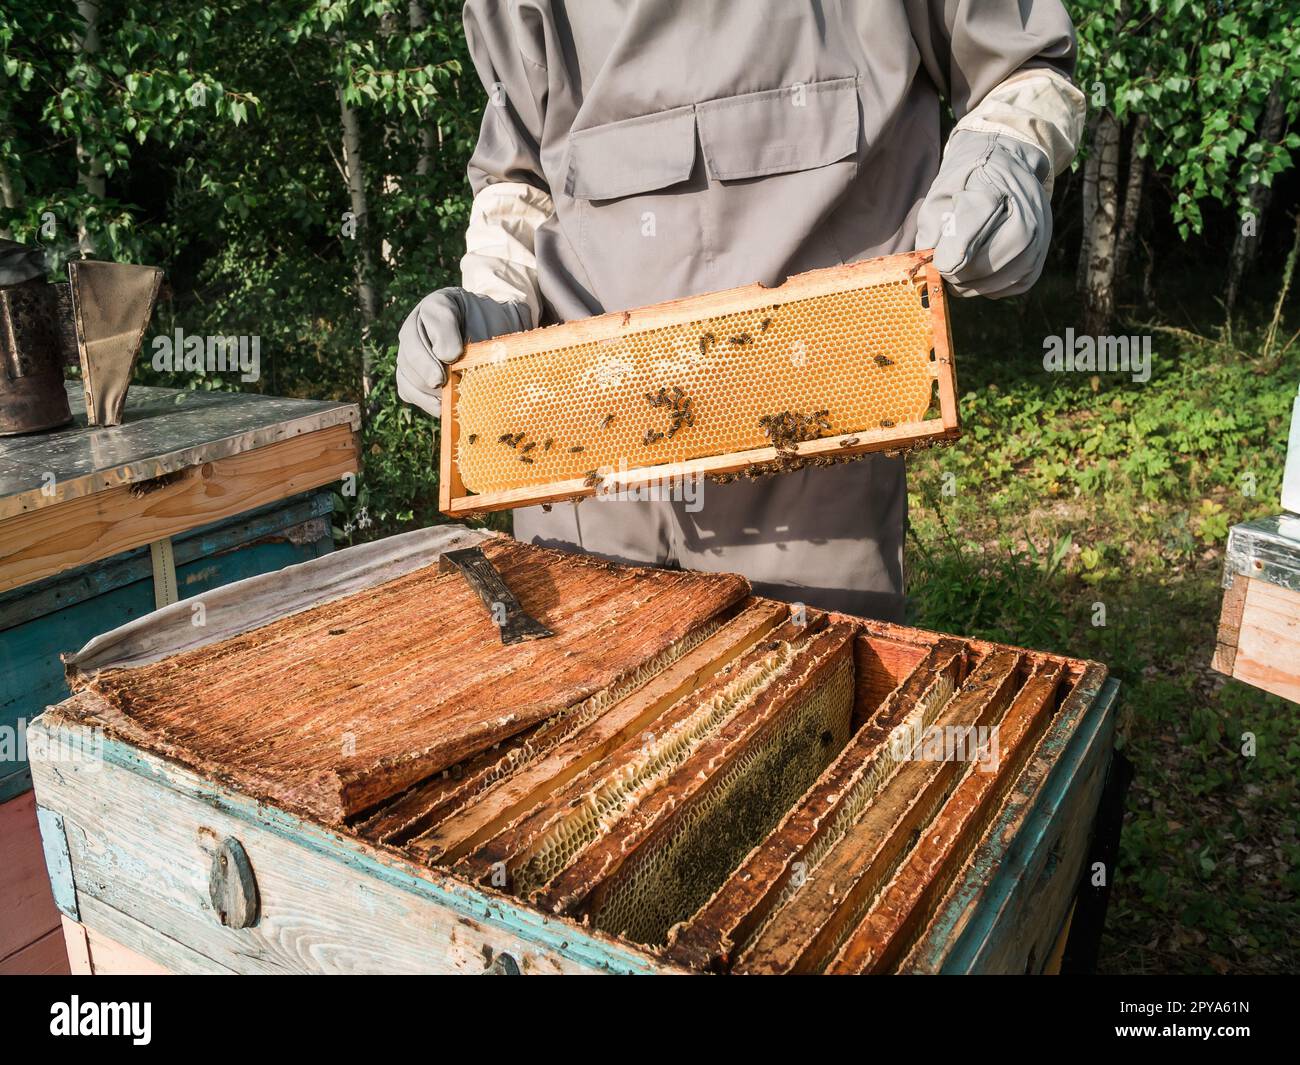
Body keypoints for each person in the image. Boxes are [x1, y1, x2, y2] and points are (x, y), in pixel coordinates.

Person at [398, 0, 1084, 620]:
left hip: (819, 474)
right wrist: (495, 300)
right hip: (581, 470)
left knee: (808, 727)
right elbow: (520, 181)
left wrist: (1002, 159)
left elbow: (1019, 69)